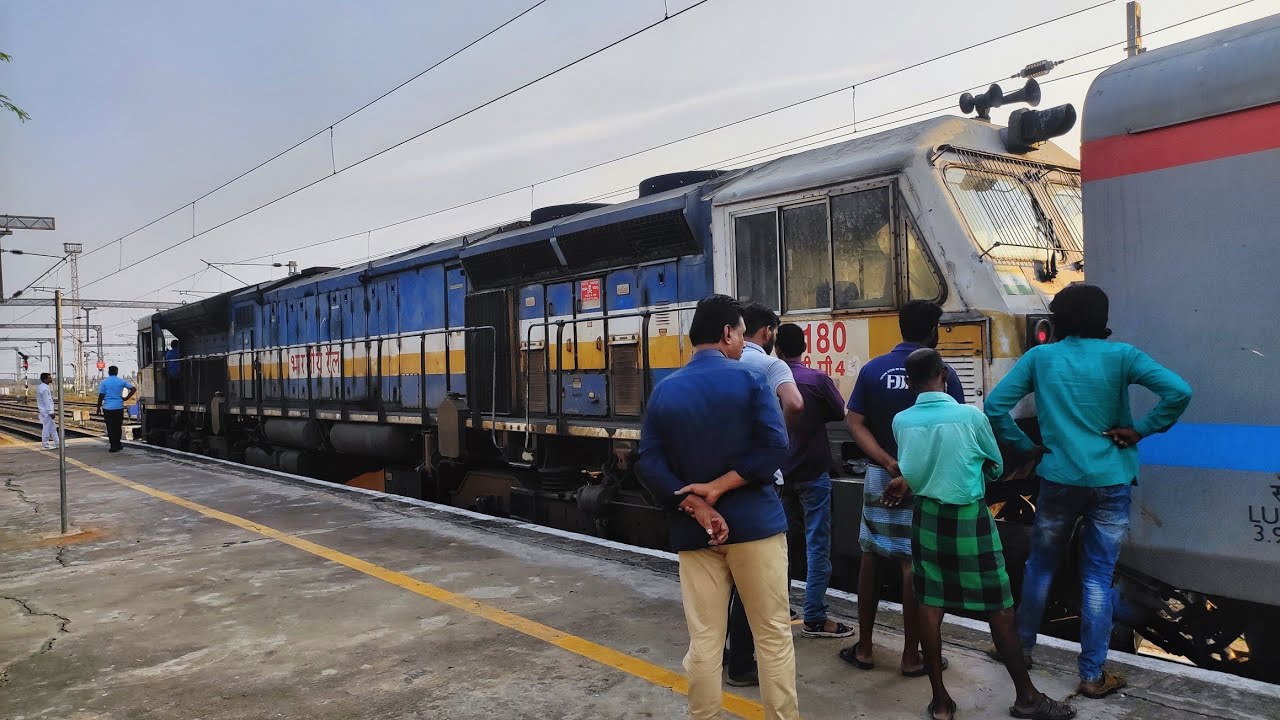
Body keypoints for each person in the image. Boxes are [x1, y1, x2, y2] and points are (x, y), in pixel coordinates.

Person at [984, 284, 1191, 699]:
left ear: (1060, 318)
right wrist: (1141, 430)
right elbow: (1178, 391)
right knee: (1097, 578)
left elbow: (994, 407)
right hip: (1111, 482)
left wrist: (1026, 447)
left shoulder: (1042, 357)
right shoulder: (1122, 356)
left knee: (1040, 567)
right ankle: (1092, 675)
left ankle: (1021, 650)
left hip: (1058, 479)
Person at [636, 294, 798, 720]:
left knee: (705, 641)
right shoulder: (749, 380)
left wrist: (695, 501)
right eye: (742, 335)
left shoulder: (665, 390)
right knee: (773, 636)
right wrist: (719, 487)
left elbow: (649, 462)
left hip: (696, 534)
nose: (743, 344)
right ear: (727, 333)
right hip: (756, 528)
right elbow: (775, 447)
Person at [892, 348, 1075, 720]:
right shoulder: (970, 416)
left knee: (930, 602)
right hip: (968, 516)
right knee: (998, 604)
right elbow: (996, 466)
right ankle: (1026, 697)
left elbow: (911, 470)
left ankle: (941, 702)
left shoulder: (902, 420)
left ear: (909, 383)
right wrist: (979, 476)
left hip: (925, 515)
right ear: (945, 374)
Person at [840, 299, 965, 675]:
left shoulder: (874, 369)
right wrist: (910, 472)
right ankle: (912, 656)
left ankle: (864, 648)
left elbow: (855, 422)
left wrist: (886, 461)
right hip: (923, 481)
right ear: (932, 332)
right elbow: (953, 429)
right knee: (914, 563)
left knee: (871, 555)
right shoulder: (944, 374)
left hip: (881, 476)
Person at [724, 302, 804, 685]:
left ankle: (728, 654)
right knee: (763, 579)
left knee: (724, 576)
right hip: (758, 482)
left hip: (721, 480)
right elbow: (795, 402)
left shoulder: (721, 364)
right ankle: (742, 663)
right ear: (769, 332)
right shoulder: (772, 365)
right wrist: (778, 436)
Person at [774, 323, 853, 639]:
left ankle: (782, 607)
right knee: (817, 544)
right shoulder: (817, 380)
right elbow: (838, 412)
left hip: (780, 473)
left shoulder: (771, 380)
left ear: (778, 349)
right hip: (813, 472)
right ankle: (816, 617)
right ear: (805, 347)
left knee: (781, 544)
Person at [96, 366, 137, 453]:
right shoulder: (121, 381)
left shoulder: (104, 382)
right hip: (118, 407)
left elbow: (101, 395)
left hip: (107, 408)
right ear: (117, 372)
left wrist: (98, 407)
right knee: (117, 426)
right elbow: (133, 389)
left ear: (109, 372)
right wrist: (126, 398)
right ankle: (118, 444)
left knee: (110, 427)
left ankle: (113, 445)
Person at [36, 372, 58, 449]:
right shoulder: (44, 389)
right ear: (45, 379)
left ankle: (58, 442)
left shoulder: (41, 387)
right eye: (49, 378)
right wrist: (51, 412)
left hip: (44, 410)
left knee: (53, 427)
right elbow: (46, 401)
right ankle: (45, 444)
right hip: (46, 411)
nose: (51, 379)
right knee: (47, 427)